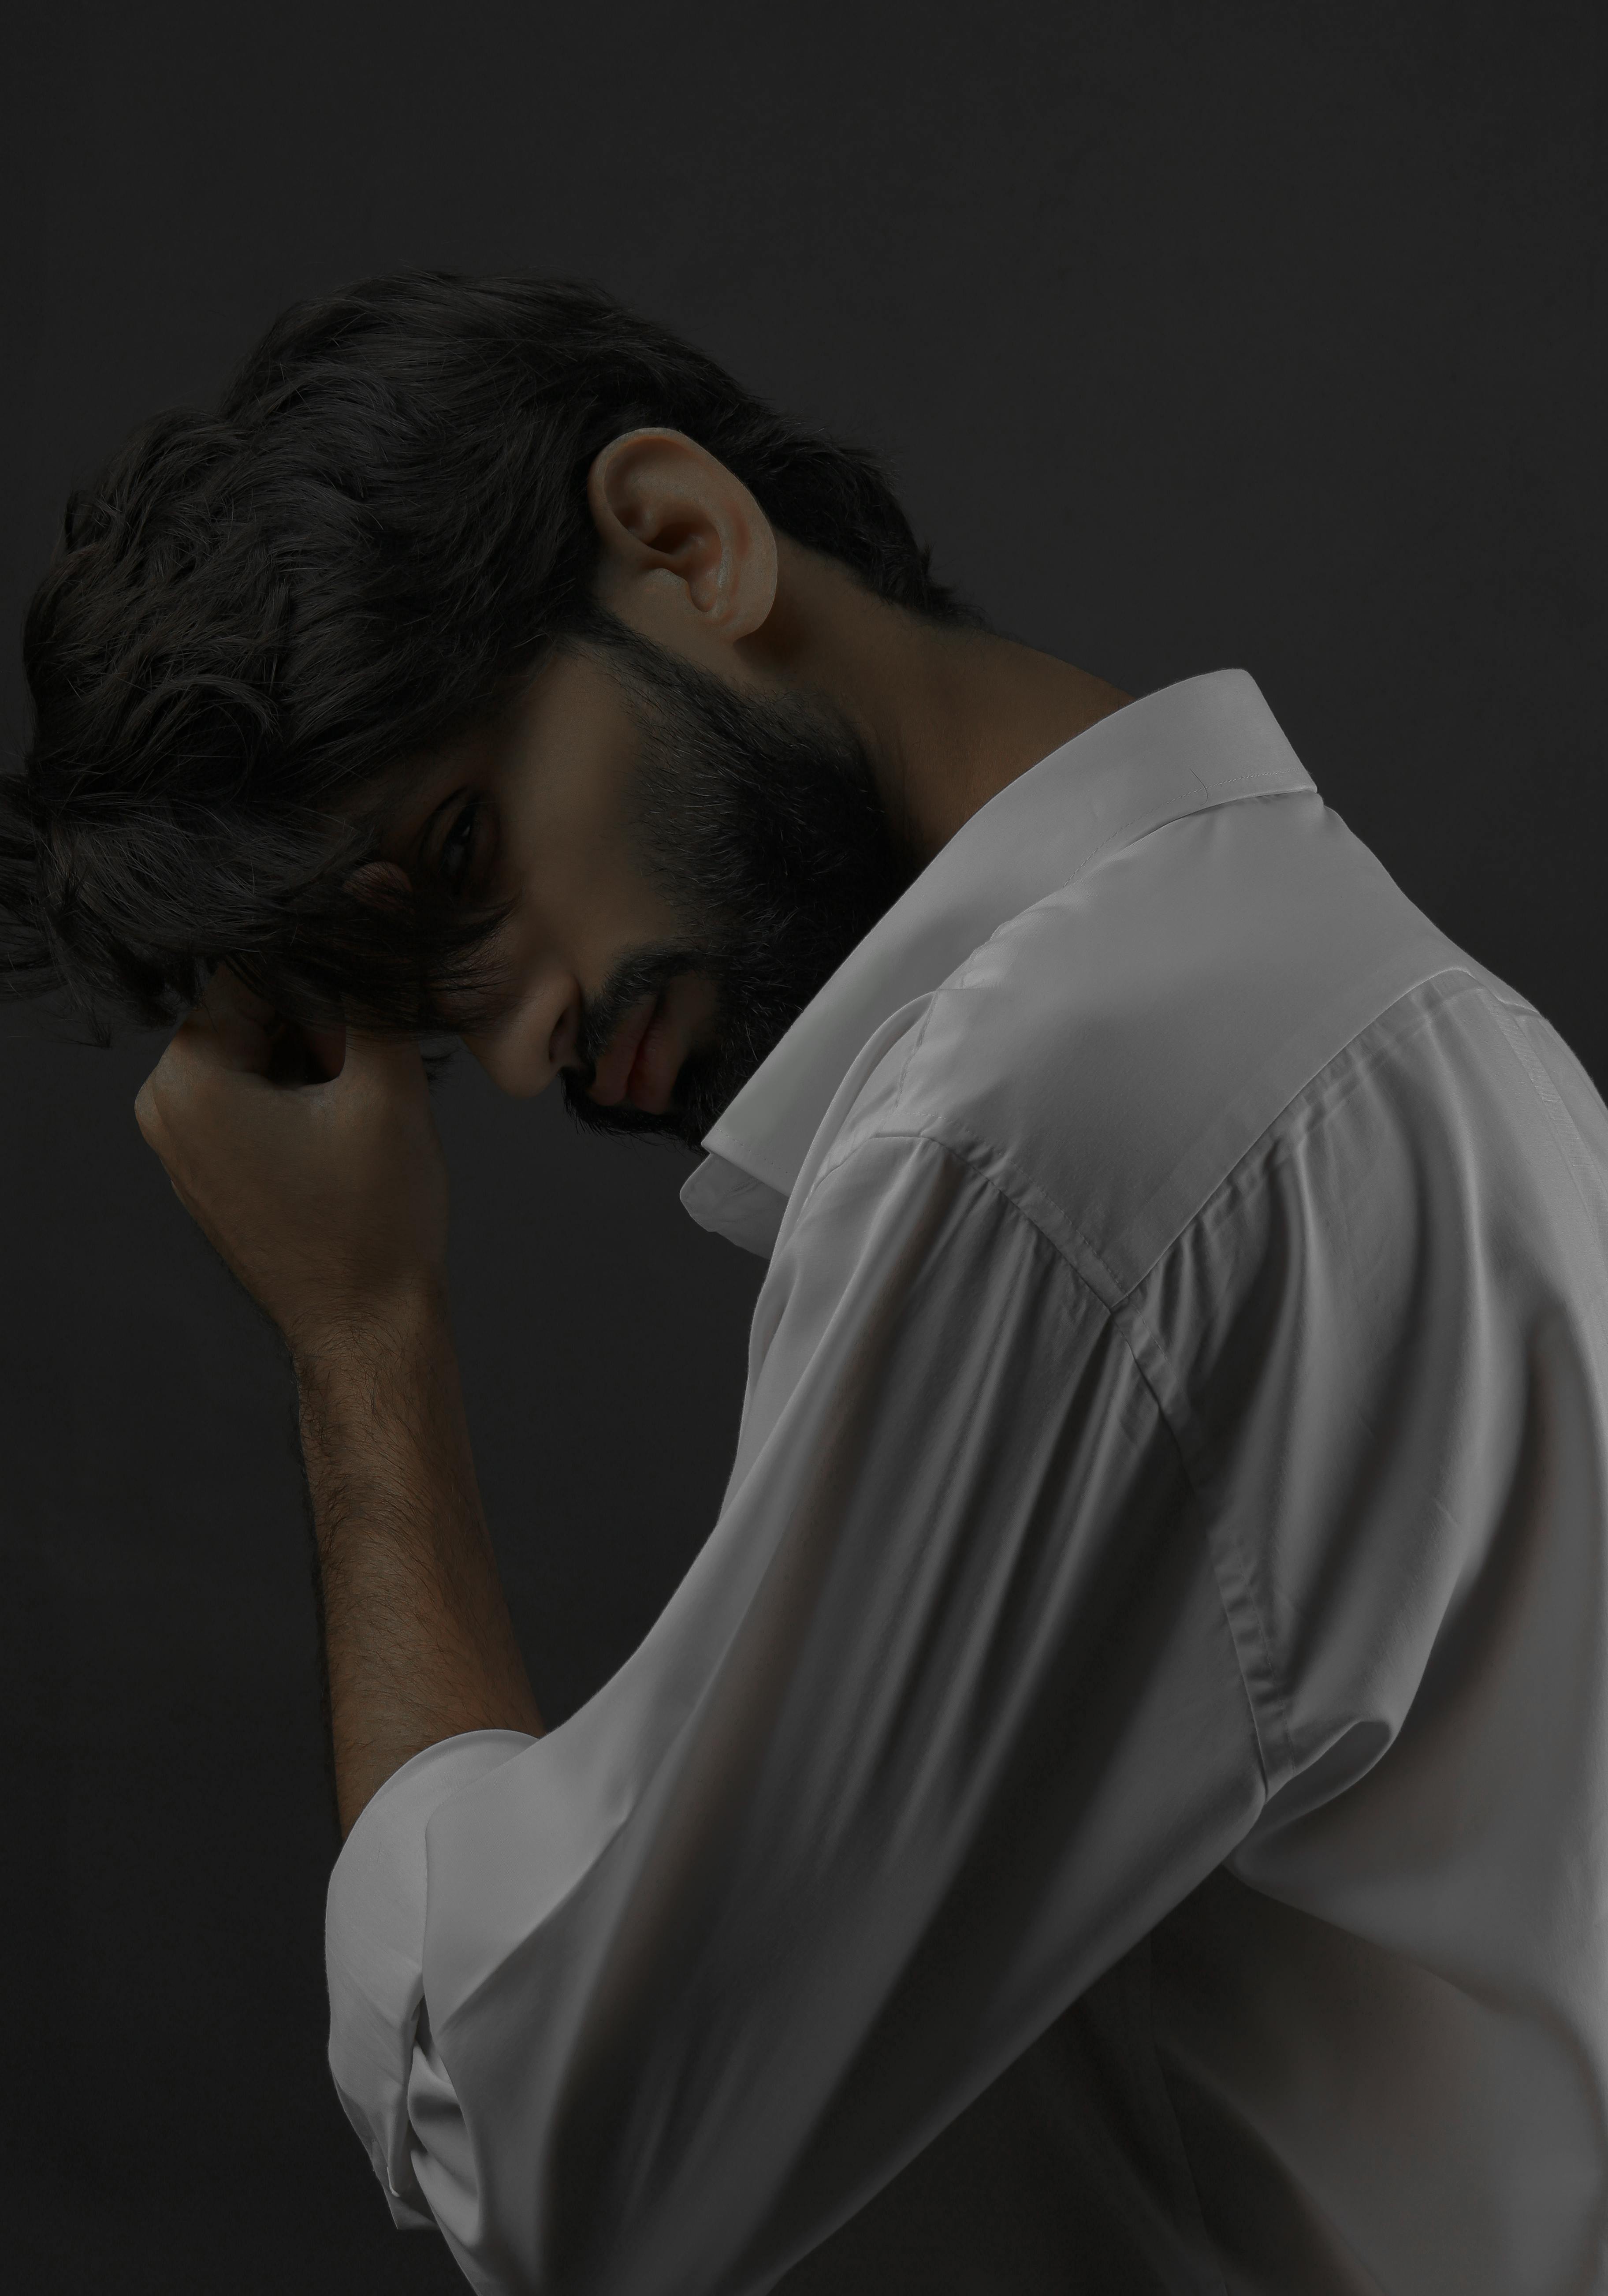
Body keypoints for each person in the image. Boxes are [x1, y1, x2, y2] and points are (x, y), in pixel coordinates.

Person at [5, 271, 1607, 2296]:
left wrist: (363, 1338)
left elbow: (556, 2166)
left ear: (687, 539)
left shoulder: (1052, 1136)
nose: (519, 1058)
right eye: (428, 1020)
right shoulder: (1435, 1029)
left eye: (471, 865)